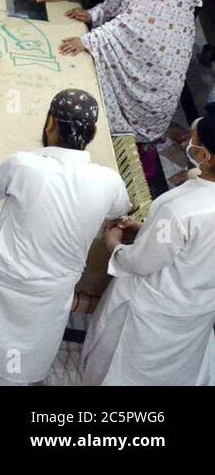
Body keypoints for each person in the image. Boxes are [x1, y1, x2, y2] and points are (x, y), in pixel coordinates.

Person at [0, 89, 130, 385]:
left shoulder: (23, 163)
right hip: (52, 290)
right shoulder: (110, 181)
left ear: (50, 123)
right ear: (93, 132)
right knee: (14, 365)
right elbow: (120, 210)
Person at [60, 0, 201, 188]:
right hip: (157, 67)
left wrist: (89, 40)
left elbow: (135, 28)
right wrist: (94, 15)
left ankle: (120, 178)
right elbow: (123, 4)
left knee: (124, 138)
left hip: (151, 70)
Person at [82, 110, 215, 385]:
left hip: (156, 306)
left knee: (124, 366)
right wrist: (147, 230)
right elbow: (198, 246)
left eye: (193, 140)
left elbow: (143, 262)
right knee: (173, 365)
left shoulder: (182, 210)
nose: (184, 143)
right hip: (198, 305)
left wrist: (115, 246)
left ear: (205, 156)